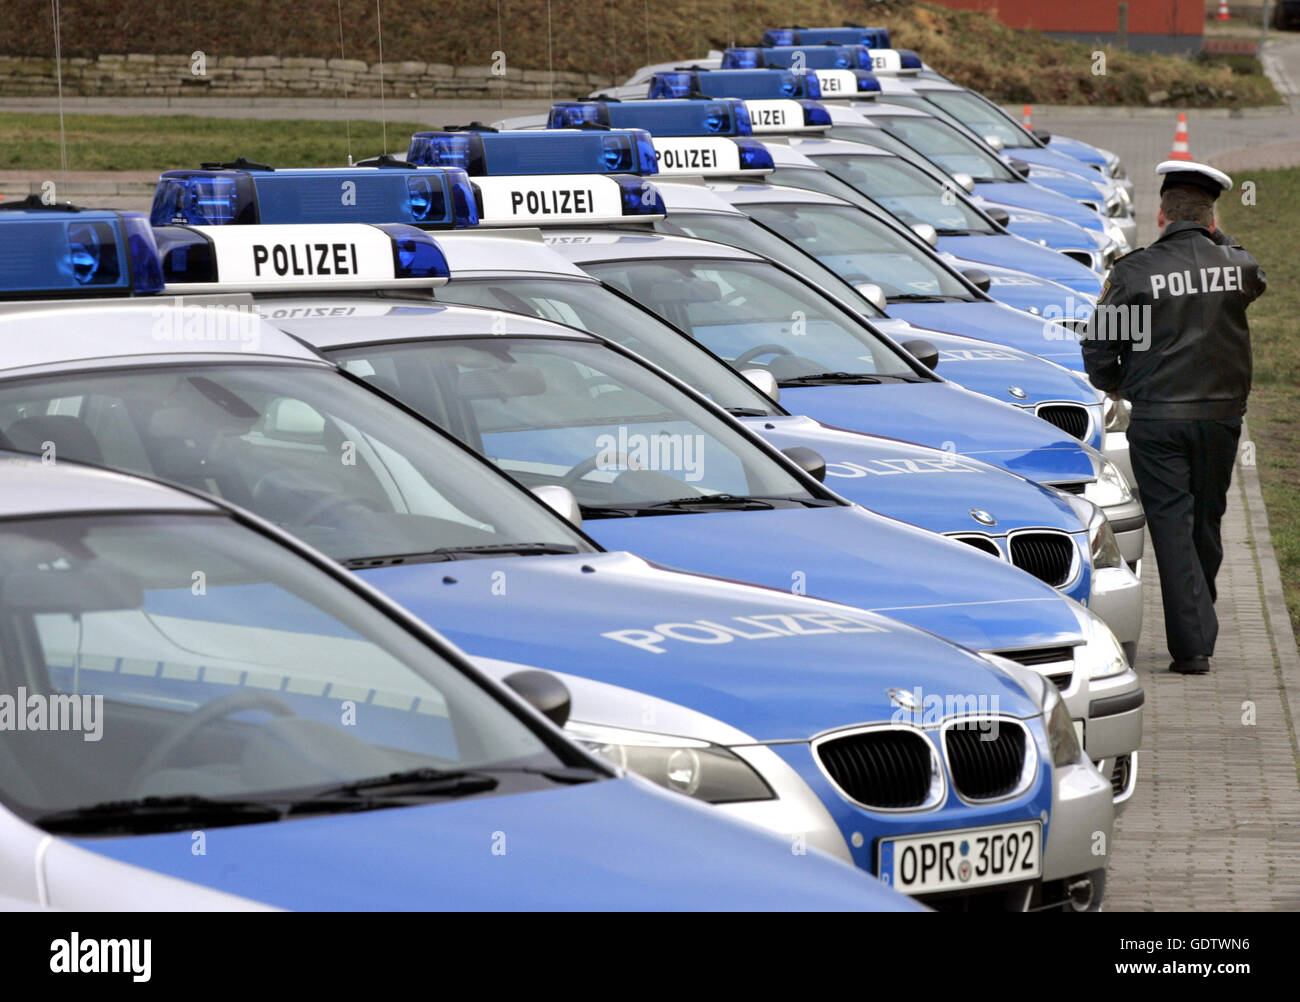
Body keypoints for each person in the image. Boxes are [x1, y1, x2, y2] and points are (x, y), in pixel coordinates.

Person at [1083, 160, 1266, 675]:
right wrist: (1216, 237)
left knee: (1172, 525)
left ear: (1161, 214)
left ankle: (1192, 646)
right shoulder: (1236, 264)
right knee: (1207, 521)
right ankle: (1197, 628)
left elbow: (1100, 347)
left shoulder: (1135, 271)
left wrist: (1116, 383)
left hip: (1159, 419)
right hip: (1221, 417)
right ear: (1210, 217)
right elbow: (1255, 276)